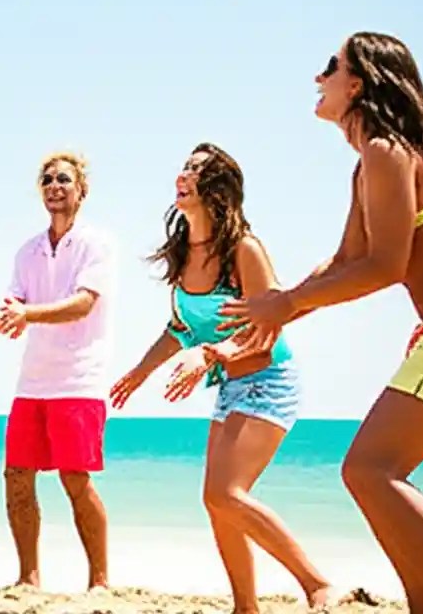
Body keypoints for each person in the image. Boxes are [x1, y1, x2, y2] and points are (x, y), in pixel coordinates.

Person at [220, 32, 423, 612]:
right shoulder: (371, 161)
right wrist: (281, 307)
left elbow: (384, 266)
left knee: (371, 468)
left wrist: (288, 305)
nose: (318, 77)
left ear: (358, 83)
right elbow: (348, 259)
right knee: (372, 472)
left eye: (331, 66)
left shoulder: (386, 148)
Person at [108, 142, 332, 612]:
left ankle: (316, 584)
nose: (184, 173)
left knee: (225, 493)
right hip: (232, 385)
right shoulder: (183, 252)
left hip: (269, 380)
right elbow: (181, 328)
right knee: (218, 502)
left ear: (217, 186)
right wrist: (140, 371)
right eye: (184, 165)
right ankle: (245, 607)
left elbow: (265, 329)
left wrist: (209, 355)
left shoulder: (243, 250)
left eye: (197, 169)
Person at [0, 152, 115, 591]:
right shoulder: (27, 251)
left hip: (79, 380)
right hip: (32, 383)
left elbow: (83, 304)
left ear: (82, 190)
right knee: (16, 475)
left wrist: (26, 315)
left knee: (75, 478)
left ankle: (100, 581)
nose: (55, 186)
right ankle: (28, 577)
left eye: (65, 180)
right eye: (48, 180)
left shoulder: (96, 243)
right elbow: (17, 311)